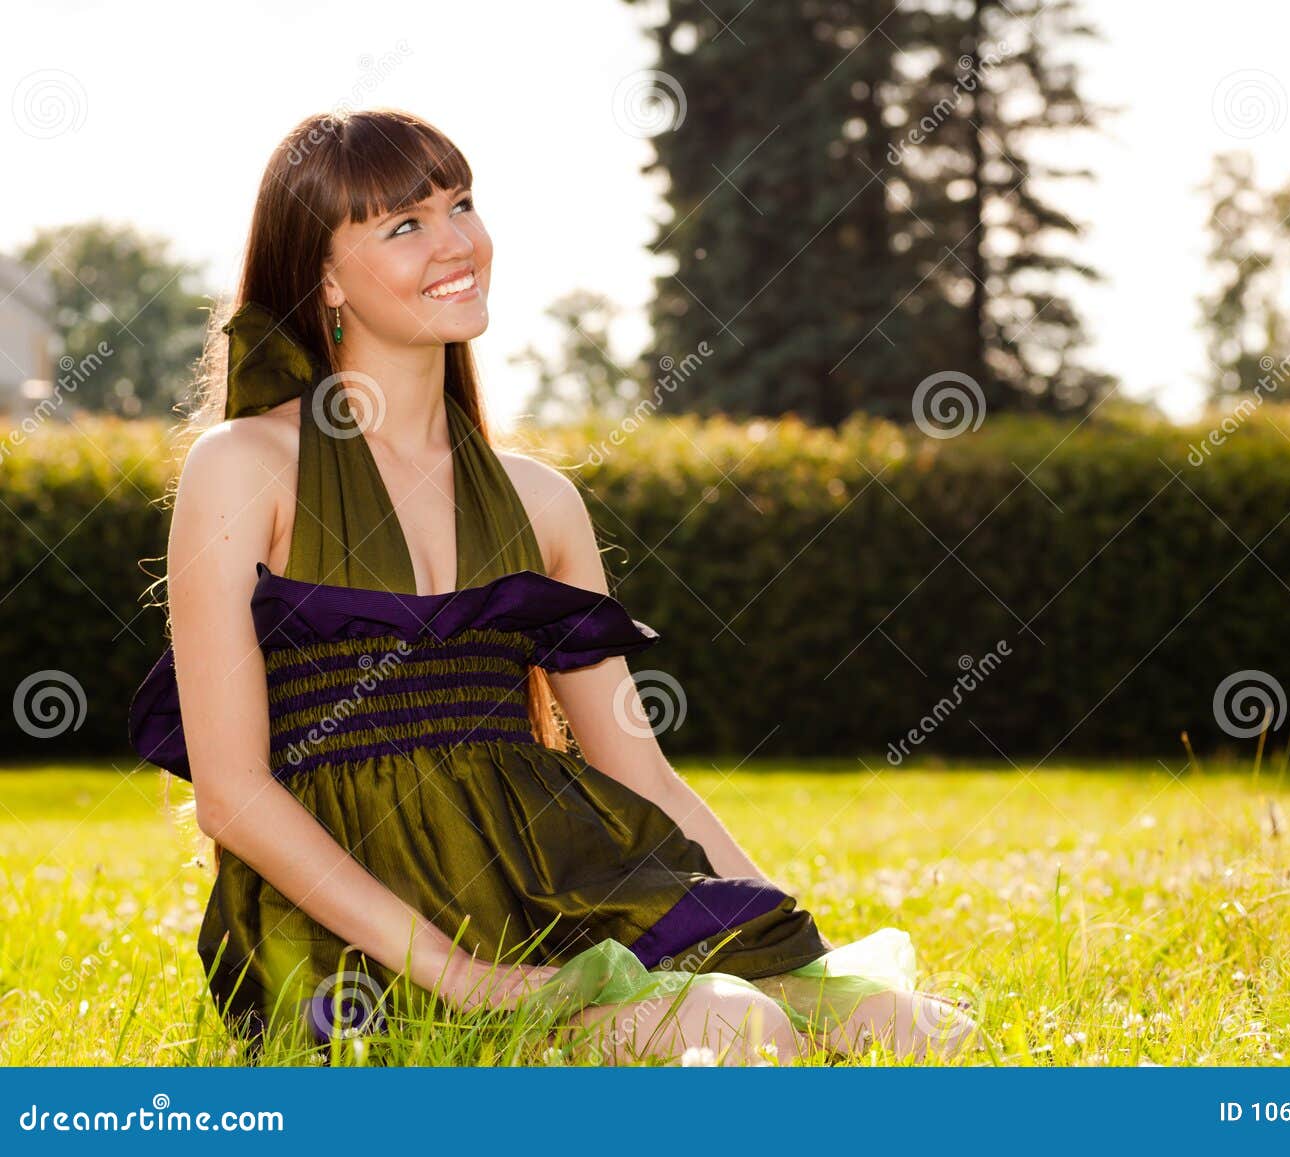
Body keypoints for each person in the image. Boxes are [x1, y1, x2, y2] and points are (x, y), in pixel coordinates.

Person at [127, 107, 980, 1066]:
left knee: (908, 1031)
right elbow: (233, 795)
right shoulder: (242, 467)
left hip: (542, 884)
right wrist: (467, 975)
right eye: (404, 225)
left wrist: (798, 942)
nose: (457, 242)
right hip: (353, 937)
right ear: (324, 276)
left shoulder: (543, 501)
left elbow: (638, 770)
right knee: (739, 1034)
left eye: (461, 205)